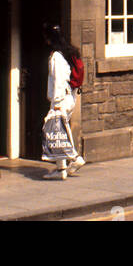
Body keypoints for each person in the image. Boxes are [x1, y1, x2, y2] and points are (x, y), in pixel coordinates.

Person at [42, 23, 85, 177]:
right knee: (57, 132)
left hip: (61, 99)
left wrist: (57, 103)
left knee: (60, 132)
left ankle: (75, 158)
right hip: (69, 97)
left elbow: (59, 80)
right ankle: (61, 170)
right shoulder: (67, 52)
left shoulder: (56, 57)